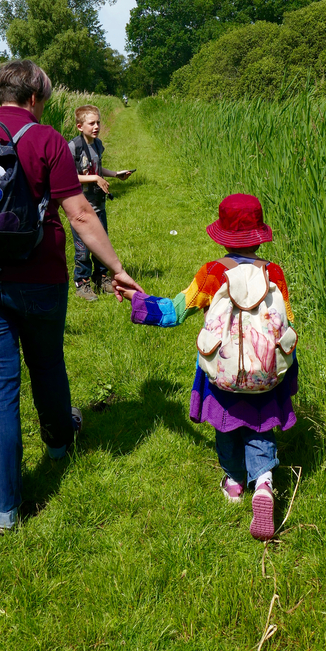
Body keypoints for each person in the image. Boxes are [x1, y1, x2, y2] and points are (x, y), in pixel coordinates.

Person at [0, 61, 140, 533]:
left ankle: (1, 509)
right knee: (47, 363)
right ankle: (57, 445)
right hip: (40, 278)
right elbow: (80, 215)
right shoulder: (47, 140)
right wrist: (117, 269)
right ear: (34, 97)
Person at [115, 193, 298, 541]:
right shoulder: (274, 272)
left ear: (222, 237)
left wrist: (136, 299)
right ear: (259, 236)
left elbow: (174, 312)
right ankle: (264, 483)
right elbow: (286, 322)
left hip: (222, 372)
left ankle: (234, 482)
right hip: (265, 373)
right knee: (260, 425)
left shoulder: (212, 273)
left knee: (226, 424)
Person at [69, 104, 133, 302]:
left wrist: (115, 174)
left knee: (101, 242)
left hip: (99, 204)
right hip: (81, 207)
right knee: (83, 248)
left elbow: (97, 168)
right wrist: (95, 179)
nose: (96, 126)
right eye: (91, 123)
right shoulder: (74, 147)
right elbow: (69, 176)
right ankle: (82, 282)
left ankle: (101, 277)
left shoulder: (97, 144)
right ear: (80, 126)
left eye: (98, 122)